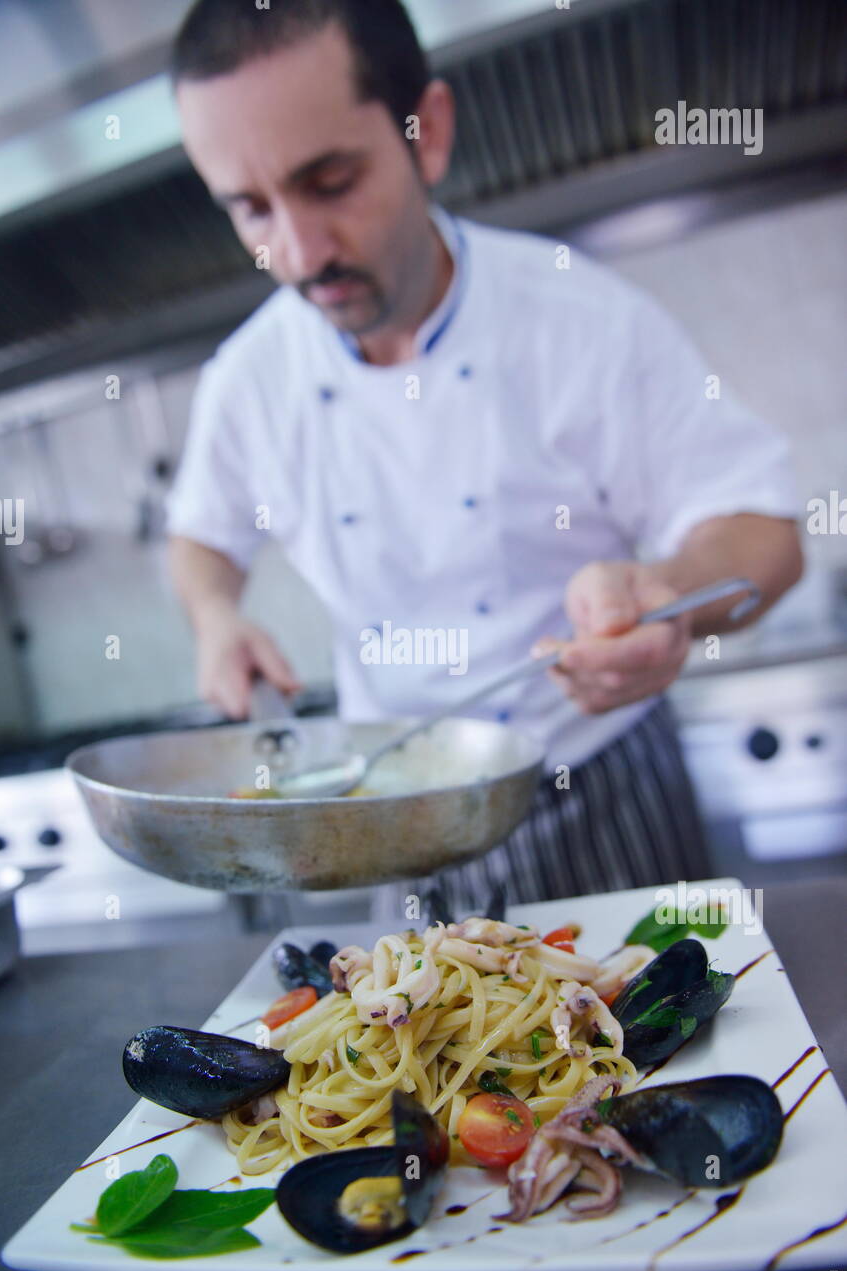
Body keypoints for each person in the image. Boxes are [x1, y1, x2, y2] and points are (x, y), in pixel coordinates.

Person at [165, 0, 803, 915]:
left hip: (597, 791)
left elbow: (764, 534)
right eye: (251, 208)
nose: (299, 254)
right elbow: (200, 534)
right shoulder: (249, 378)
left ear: (426, 134)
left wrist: (669, 594)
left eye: (331, 181)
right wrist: (215, 615)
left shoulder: (580, 322)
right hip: (390, 817)